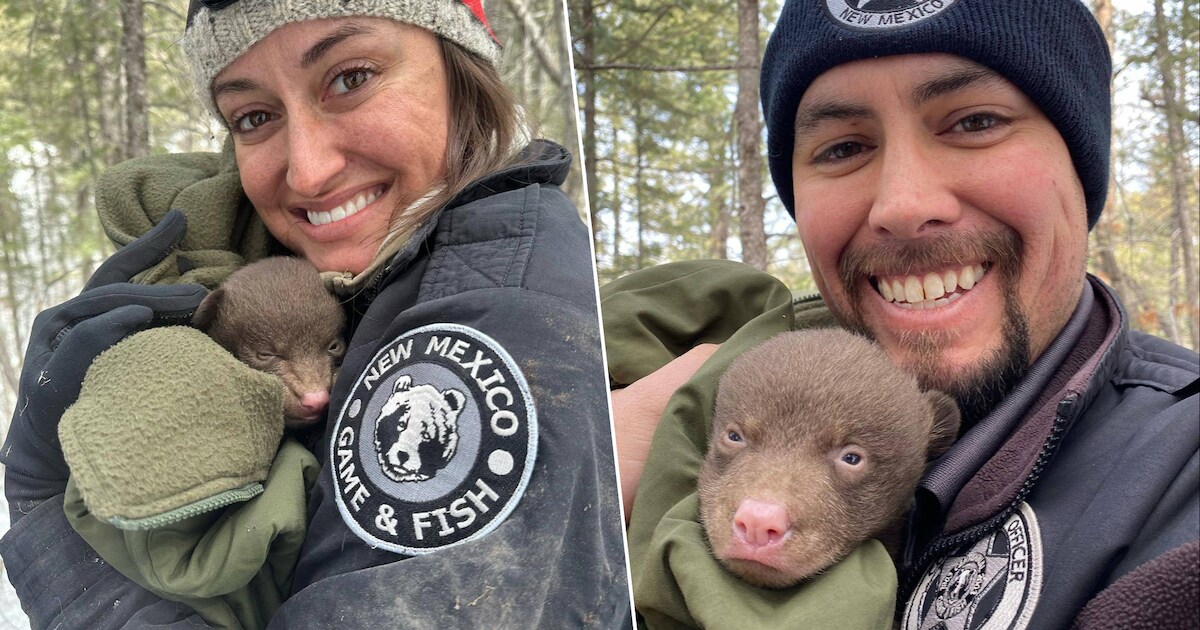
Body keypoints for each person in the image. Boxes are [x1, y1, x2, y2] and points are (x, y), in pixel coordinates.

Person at [1, 0, 630, 627]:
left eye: (351, 77)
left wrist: (50, 526)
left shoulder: (489, 316)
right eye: (253, 116)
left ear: (463, 74)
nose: (308, 171)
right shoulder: (356, 283)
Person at [604, 0, 1200, 628]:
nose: (903, 203)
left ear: (1080, 163)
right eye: (843, 148)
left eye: (974, 121)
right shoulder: (687, 384)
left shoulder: (1177, 482)